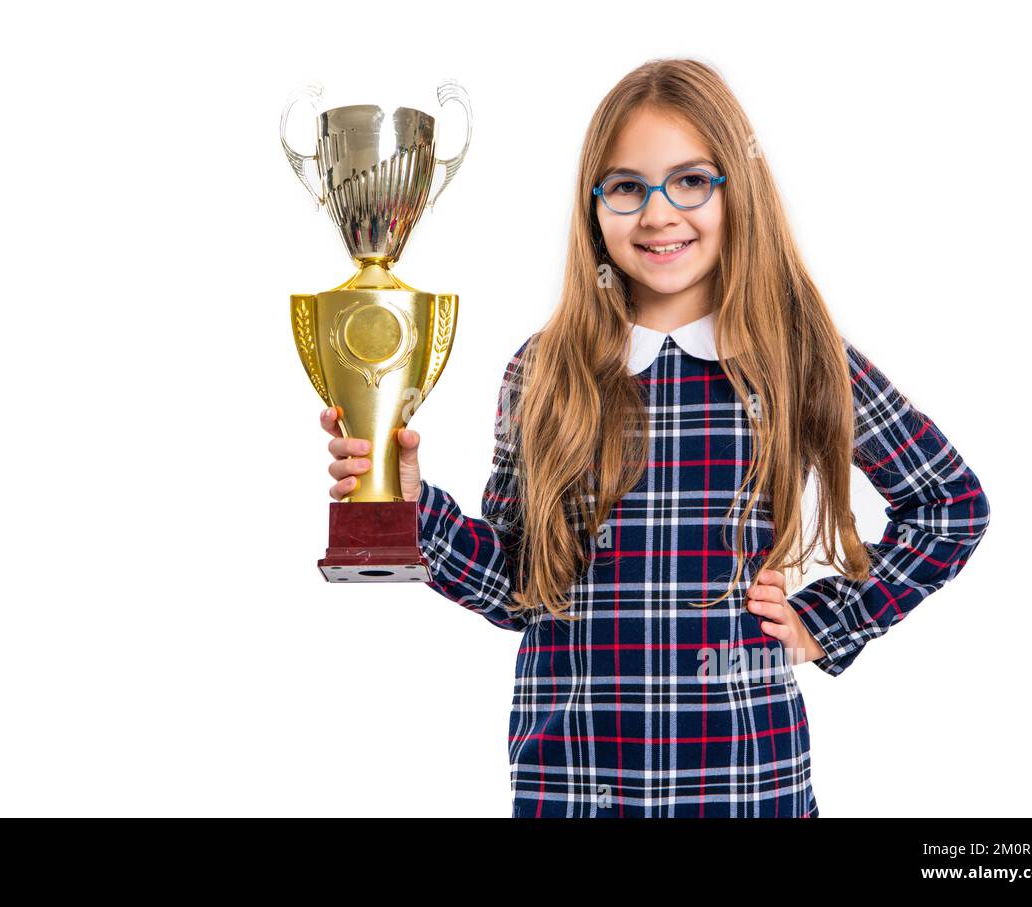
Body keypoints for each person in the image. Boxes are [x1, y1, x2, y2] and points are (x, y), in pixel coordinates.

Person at [319, 58, 991, 818]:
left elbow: (950, 504)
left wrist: (827, 623)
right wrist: (409, 506)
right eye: (629, 186)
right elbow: (517, 588)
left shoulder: (797, 356)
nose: (659, 213)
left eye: (692, 181)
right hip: (571, 787)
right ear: (594, 205)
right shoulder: (543, 371)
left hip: (746, 787)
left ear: (738, 189)